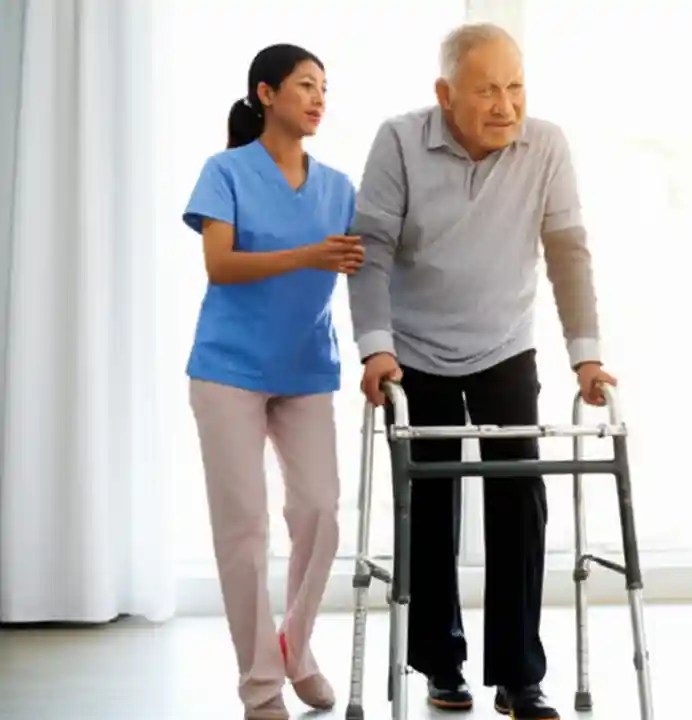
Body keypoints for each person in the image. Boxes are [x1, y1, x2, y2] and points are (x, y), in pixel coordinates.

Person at [347, 21, 615, 720]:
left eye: (516, 87)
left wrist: (585, 355)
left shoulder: (546, 145)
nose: (506, 105)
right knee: (431, 507)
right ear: (445, 94)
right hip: (415, 350)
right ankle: (442, 664)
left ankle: (519, 676)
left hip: (504, 344)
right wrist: (376, 347)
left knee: (519, 501)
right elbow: (369, 252)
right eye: (488, 90)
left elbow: (568, 252)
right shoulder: (399, 141)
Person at [182, 43, 364, 720]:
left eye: (324, 88)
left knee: (319, 511)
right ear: (266, 93)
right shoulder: (225, 171)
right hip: (228, 369)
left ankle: (295, 644)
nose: (318, 98)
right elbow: (221, 265)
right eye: (304, 85)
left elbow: (373, 269)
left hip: (306, 368)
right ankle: (260, 682)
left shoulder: (340, 187)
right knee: (245, 529)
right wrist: (311, 255)